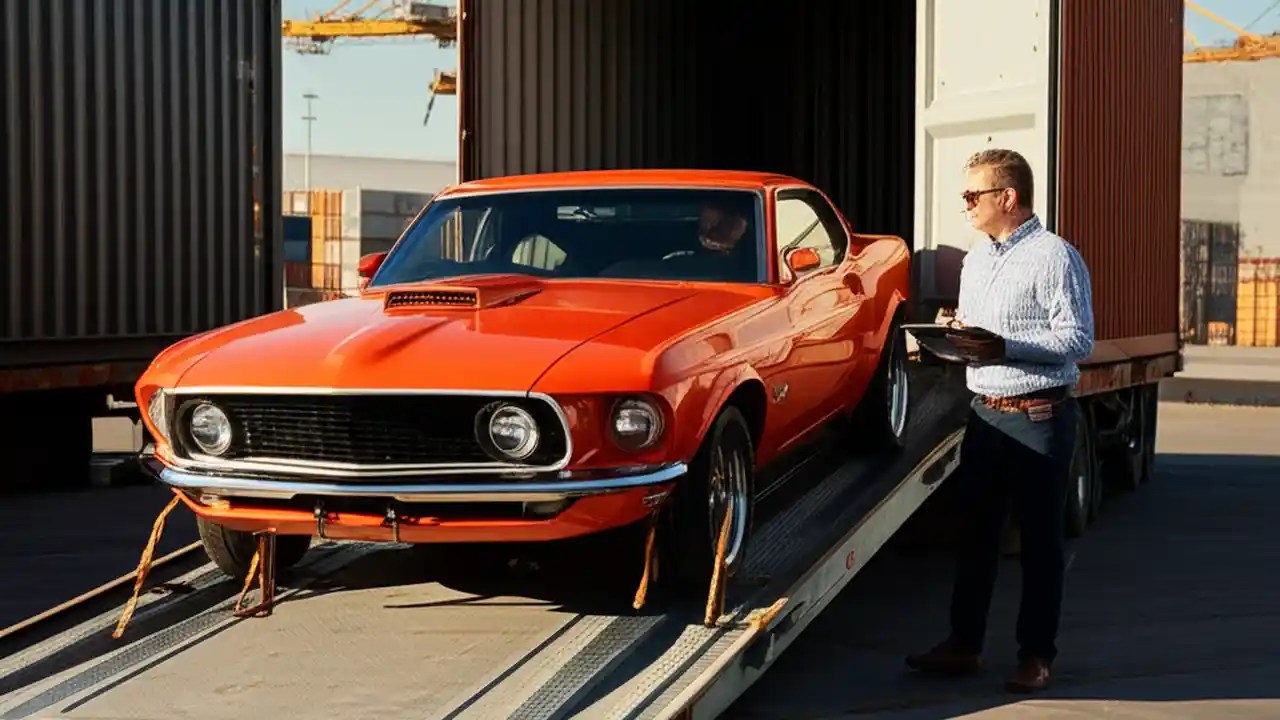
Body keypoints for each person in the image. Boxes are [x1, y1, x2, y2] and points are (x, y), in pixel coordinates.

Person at [905, 148, 1094, 693]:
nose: (965, 205)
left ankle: (1036, 655)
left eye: (973, 195)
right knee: (976, 538)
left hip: (1039, 416)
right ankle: (963, 645)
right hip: (985, 414)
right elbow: (978, 336)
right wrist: (951, 336)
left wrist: (1002, 345)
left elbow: (1077, 339)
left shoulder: (1055, 257)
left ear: (1007, 198)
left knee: (1039, 544)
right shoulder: (977, 258)